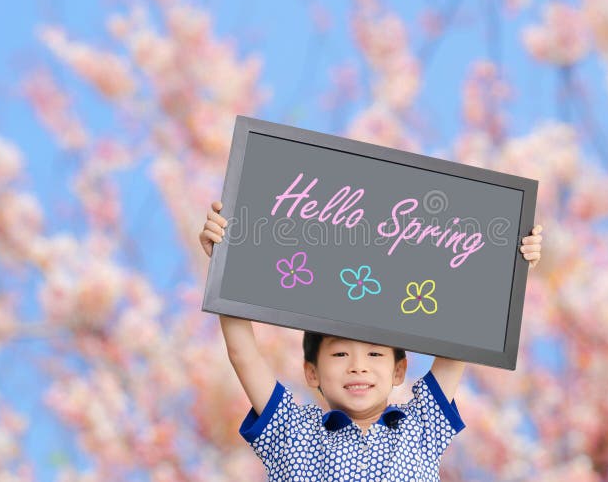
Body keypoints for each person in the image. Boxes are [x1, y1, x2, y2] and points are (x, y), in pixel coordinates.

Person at [199, 200, 543, 481]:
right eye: (340, 354)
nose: (358, 366)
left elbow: (465, 331)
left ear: (398, 371)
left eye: (376, 353)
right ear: (311, 372)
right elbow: (243, 353)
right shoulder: (292, 433)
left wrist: (511, 258)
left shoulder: (421, 427)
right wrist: (226, 260)